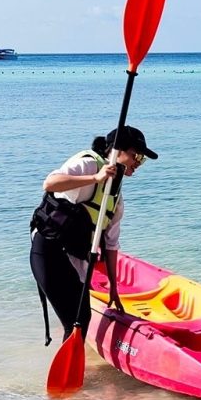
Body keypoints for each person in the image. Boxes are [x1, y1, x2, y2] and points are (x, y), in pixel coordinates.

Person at [29, 125, 157, 342]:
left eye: (141, 160)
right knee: (74, 320)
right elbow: (50, 183)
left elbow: (111, 245)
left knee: (82, 318)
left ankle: (79, 371)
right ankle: (73, 373)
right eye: (137, 156)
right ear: (119, 151)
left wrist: (114, 289)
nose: (138, 164)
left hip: (72, 259)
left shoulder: (115, 199)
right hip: (47, 251)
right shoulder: (89, 163)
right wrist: (96, 178)